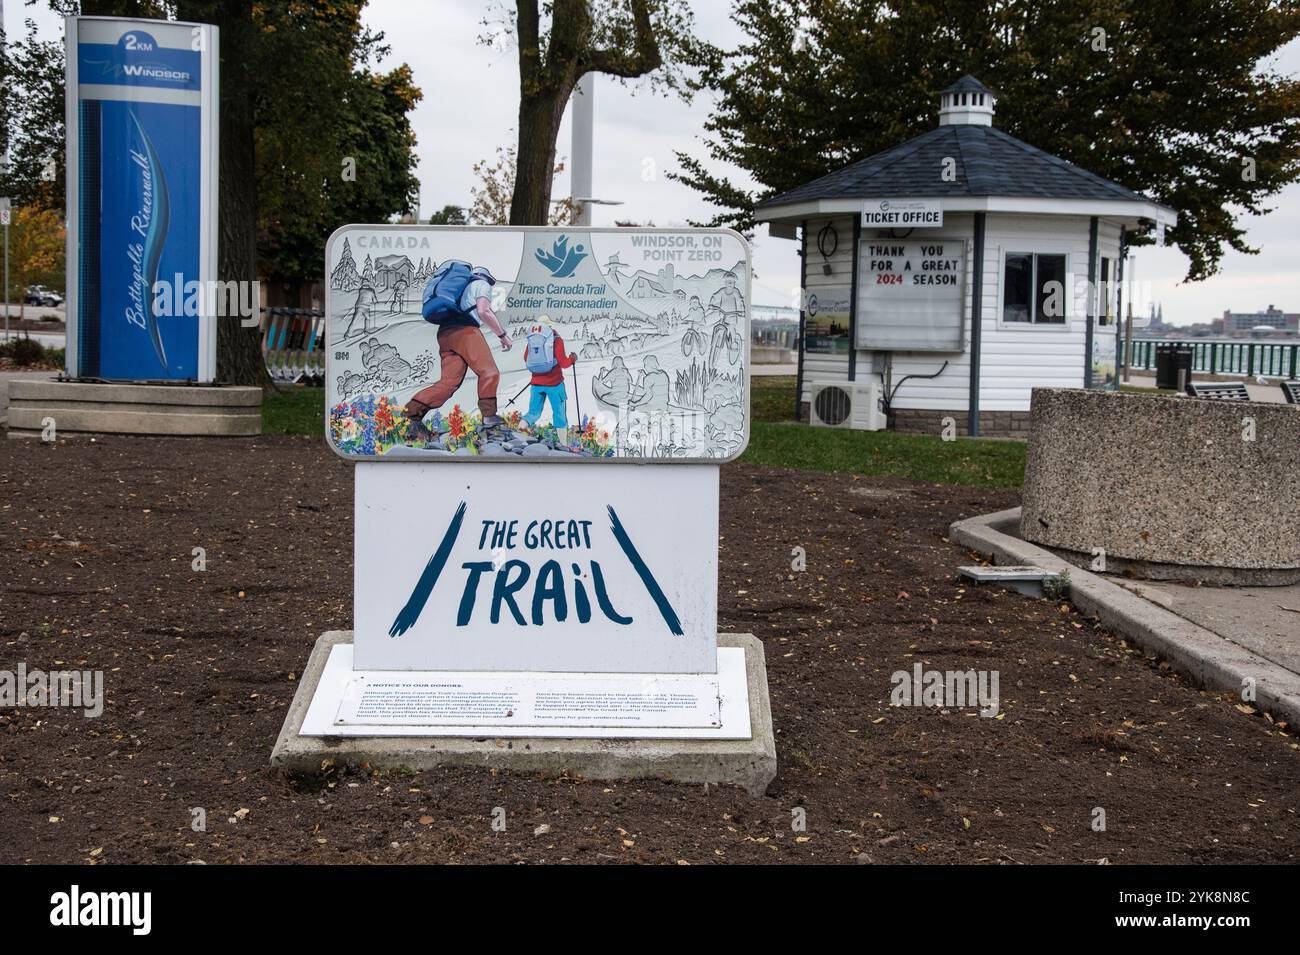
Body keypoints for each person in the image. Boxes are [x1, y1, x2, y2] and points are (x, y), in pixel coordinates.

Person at [404, 263, 512, 438]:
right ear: (487, 279)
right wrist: (502, 335)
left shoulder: (459, 290)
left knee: (447, 384)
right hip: (466, 331)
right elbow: (484, 311)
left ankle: (410, 415)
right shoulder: (480, 284)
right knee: (489, 373)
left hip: (445, 333)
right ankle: (489, 419)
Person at [521, 315, 577, 444]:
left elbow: (526, 358)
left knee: (533, 412)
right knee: (559, 413)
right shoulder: (556, 340)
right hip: (555, 384)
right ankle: (563, 444)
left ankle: (521, 428)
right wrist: (572, 359)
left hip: (536, 384)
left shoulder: (532, 340)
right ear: (549, 326)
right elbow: (564, 363)